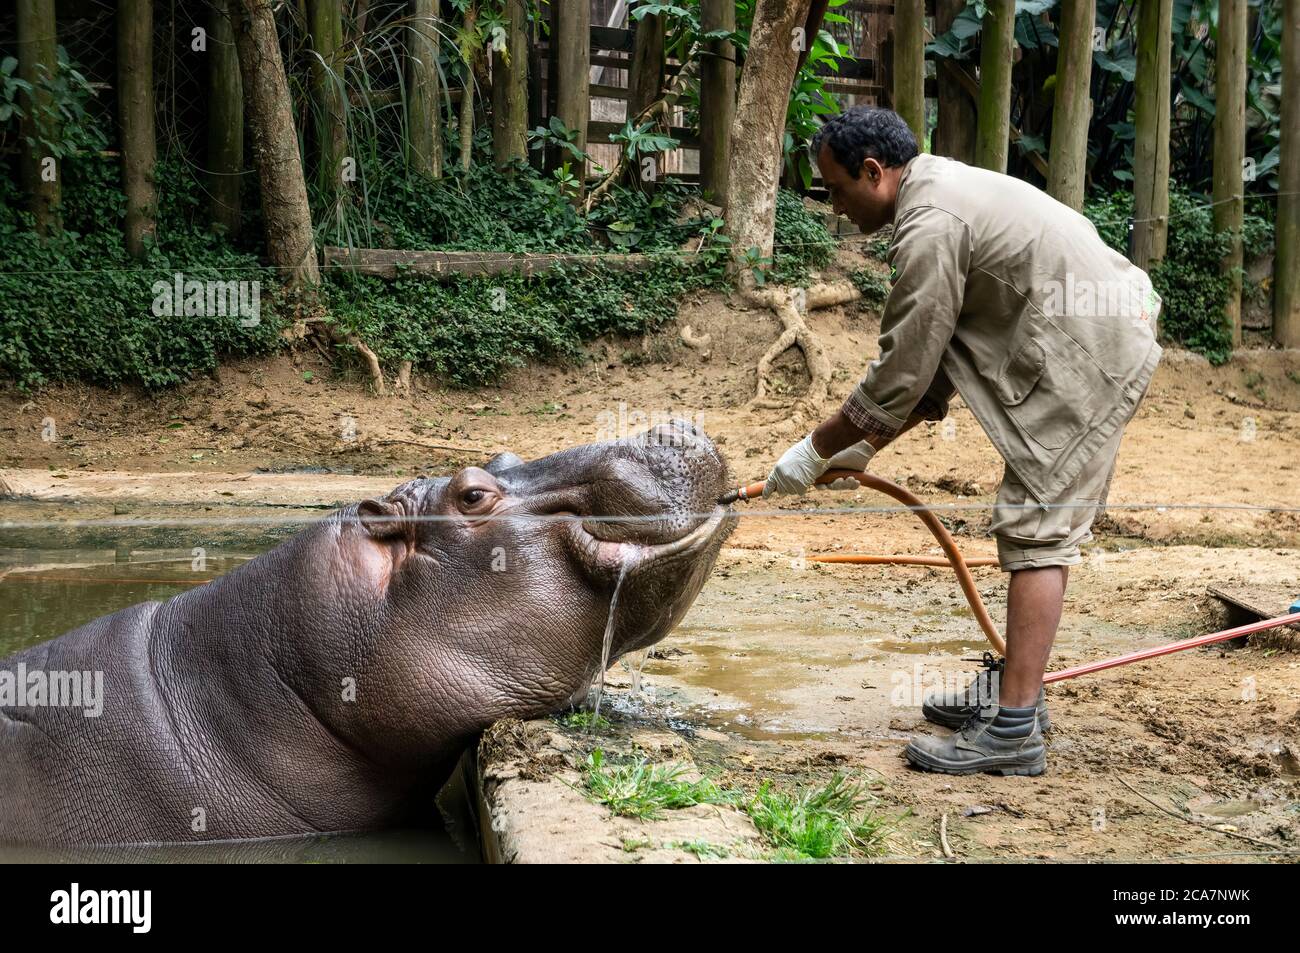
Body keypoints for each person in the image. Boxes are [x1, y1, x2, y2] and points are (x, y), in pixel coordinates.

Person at [765, 105, 1162, 776]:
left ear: (873, 172)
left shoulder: (930, 225)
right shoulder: (935, 190)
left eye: (835, 189)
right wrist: (865, 447)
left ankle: (1014, 728)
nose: (835, 208)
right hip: (1095, 327)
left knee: (1035, 528)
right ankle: (1016, 689)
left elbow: (902, 368)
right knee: (1034, 523)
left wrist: (814, 448)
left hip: (1092, 354)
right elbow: (935, 356)